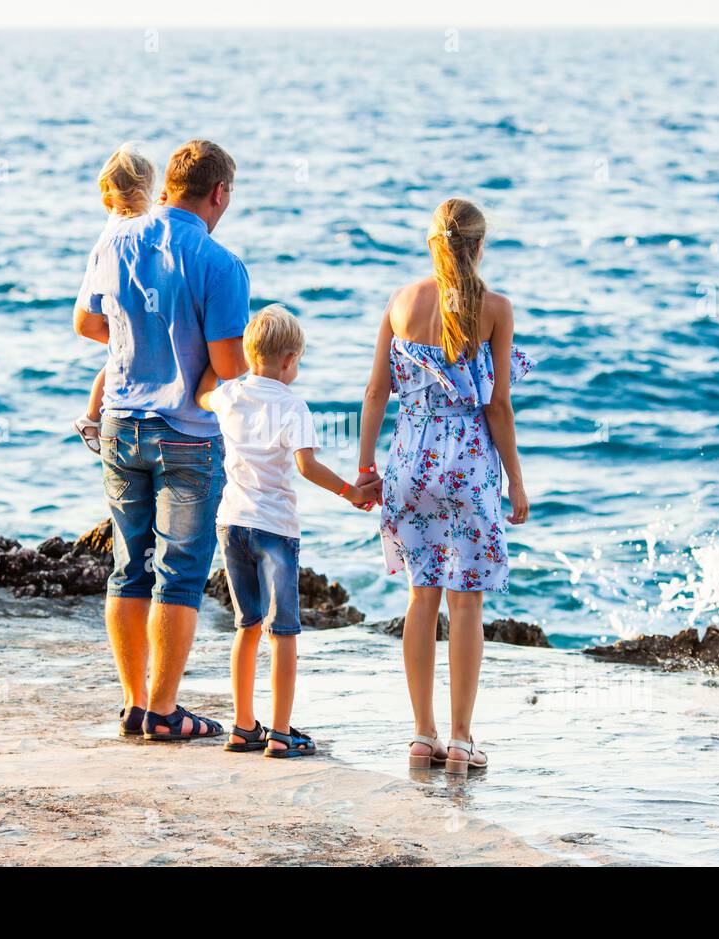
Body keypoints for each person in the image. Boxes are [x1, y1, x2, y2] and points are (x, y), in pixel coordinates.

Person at [73, 139, 249, 741]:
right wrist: (187, 362)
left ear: (169, 184)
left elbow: (90, 321)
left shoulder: (117, 238)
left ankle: (133, 702)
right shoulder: (221, 264)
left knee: (129, 566)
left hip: (121, 422)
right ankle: (165, 713)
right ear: (219, 193)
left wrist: (139, 344)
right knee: (179, 573)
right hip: (187, 436)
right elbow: (228, 365)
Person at [356, 197, 534, 775]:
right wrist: (516, 482)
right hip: (469, 468)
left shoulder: (401, 302)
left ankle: (420, 734)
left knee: (419, 597)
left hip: (408, 461)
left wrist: (366, 468)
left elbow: (376, 393)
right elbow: (499, 406)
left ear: (432, 243)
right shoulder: (496, 309)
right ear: (479, 247)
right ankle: (460, 739)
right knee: (465, 606)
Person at [195, 305, 381, 757]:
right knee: (284, 631)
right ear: (289, 360)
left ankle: (243, 726)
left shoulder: (231, 395)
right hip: (275, 529)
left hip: (231, 522)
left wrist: (207, 353)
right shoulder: (293, 405)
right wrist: (349, 493)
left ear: (248, 352)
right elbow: (306, 465)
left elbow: (203, 393)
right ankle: (280, 733)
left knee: (247, 625)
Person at [72, 144, 157, 455]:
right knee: (115, 360)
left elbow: (84, 324)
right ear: (150, 188)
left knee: (115, 360)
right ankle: (90, 416)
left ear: (107, 195)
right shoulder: (150, 232)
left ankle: (91, 417)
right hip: (139, 327)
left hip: (123, 326)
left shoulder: (107, 237)